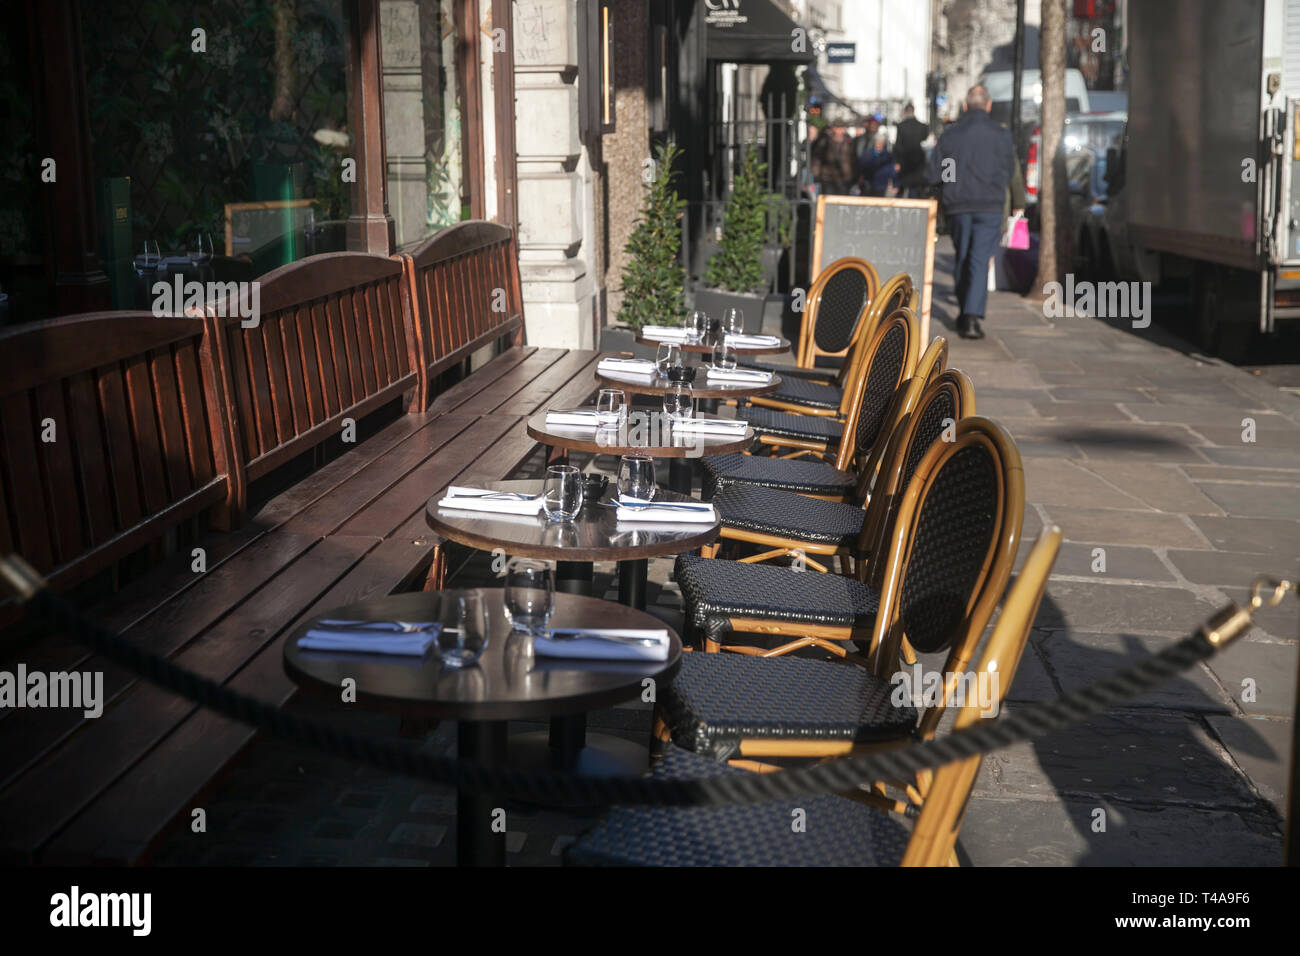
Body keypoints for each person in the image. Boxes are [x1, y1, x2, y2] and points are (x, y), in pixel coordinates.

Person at [926, 84, 1024, 339]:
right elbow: (1007, 169)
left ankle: (965, 310)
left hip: (959, 204)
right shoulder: (1001, 135)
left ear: (966, 106)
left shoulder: (951, 134)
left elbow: (941, 171)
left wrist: (951, 187)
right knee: (980, 261)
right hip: (989, 204)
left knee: (963, 256)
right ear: (988, 106)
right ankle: (971, 317)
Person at [893, 102, 930, 198]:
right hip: (918, 164)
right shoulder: (923, 127)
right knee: (915, 191)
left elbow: (898, 146)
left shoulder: (901, 126)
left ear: (905, 112)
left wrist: (897, 161)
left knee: (901, 189)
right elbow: (926, 145)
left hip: (905, 163)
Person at [858, 130, 896, 197]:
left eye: (881, 143)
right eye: (877, 143)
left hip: (882, 185)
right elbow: (861, 167)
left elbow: (892, 170)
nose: (879, 145)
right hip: (868, 184)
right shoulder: (867, 154)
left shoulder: (888, 156)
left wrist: (895, 184)